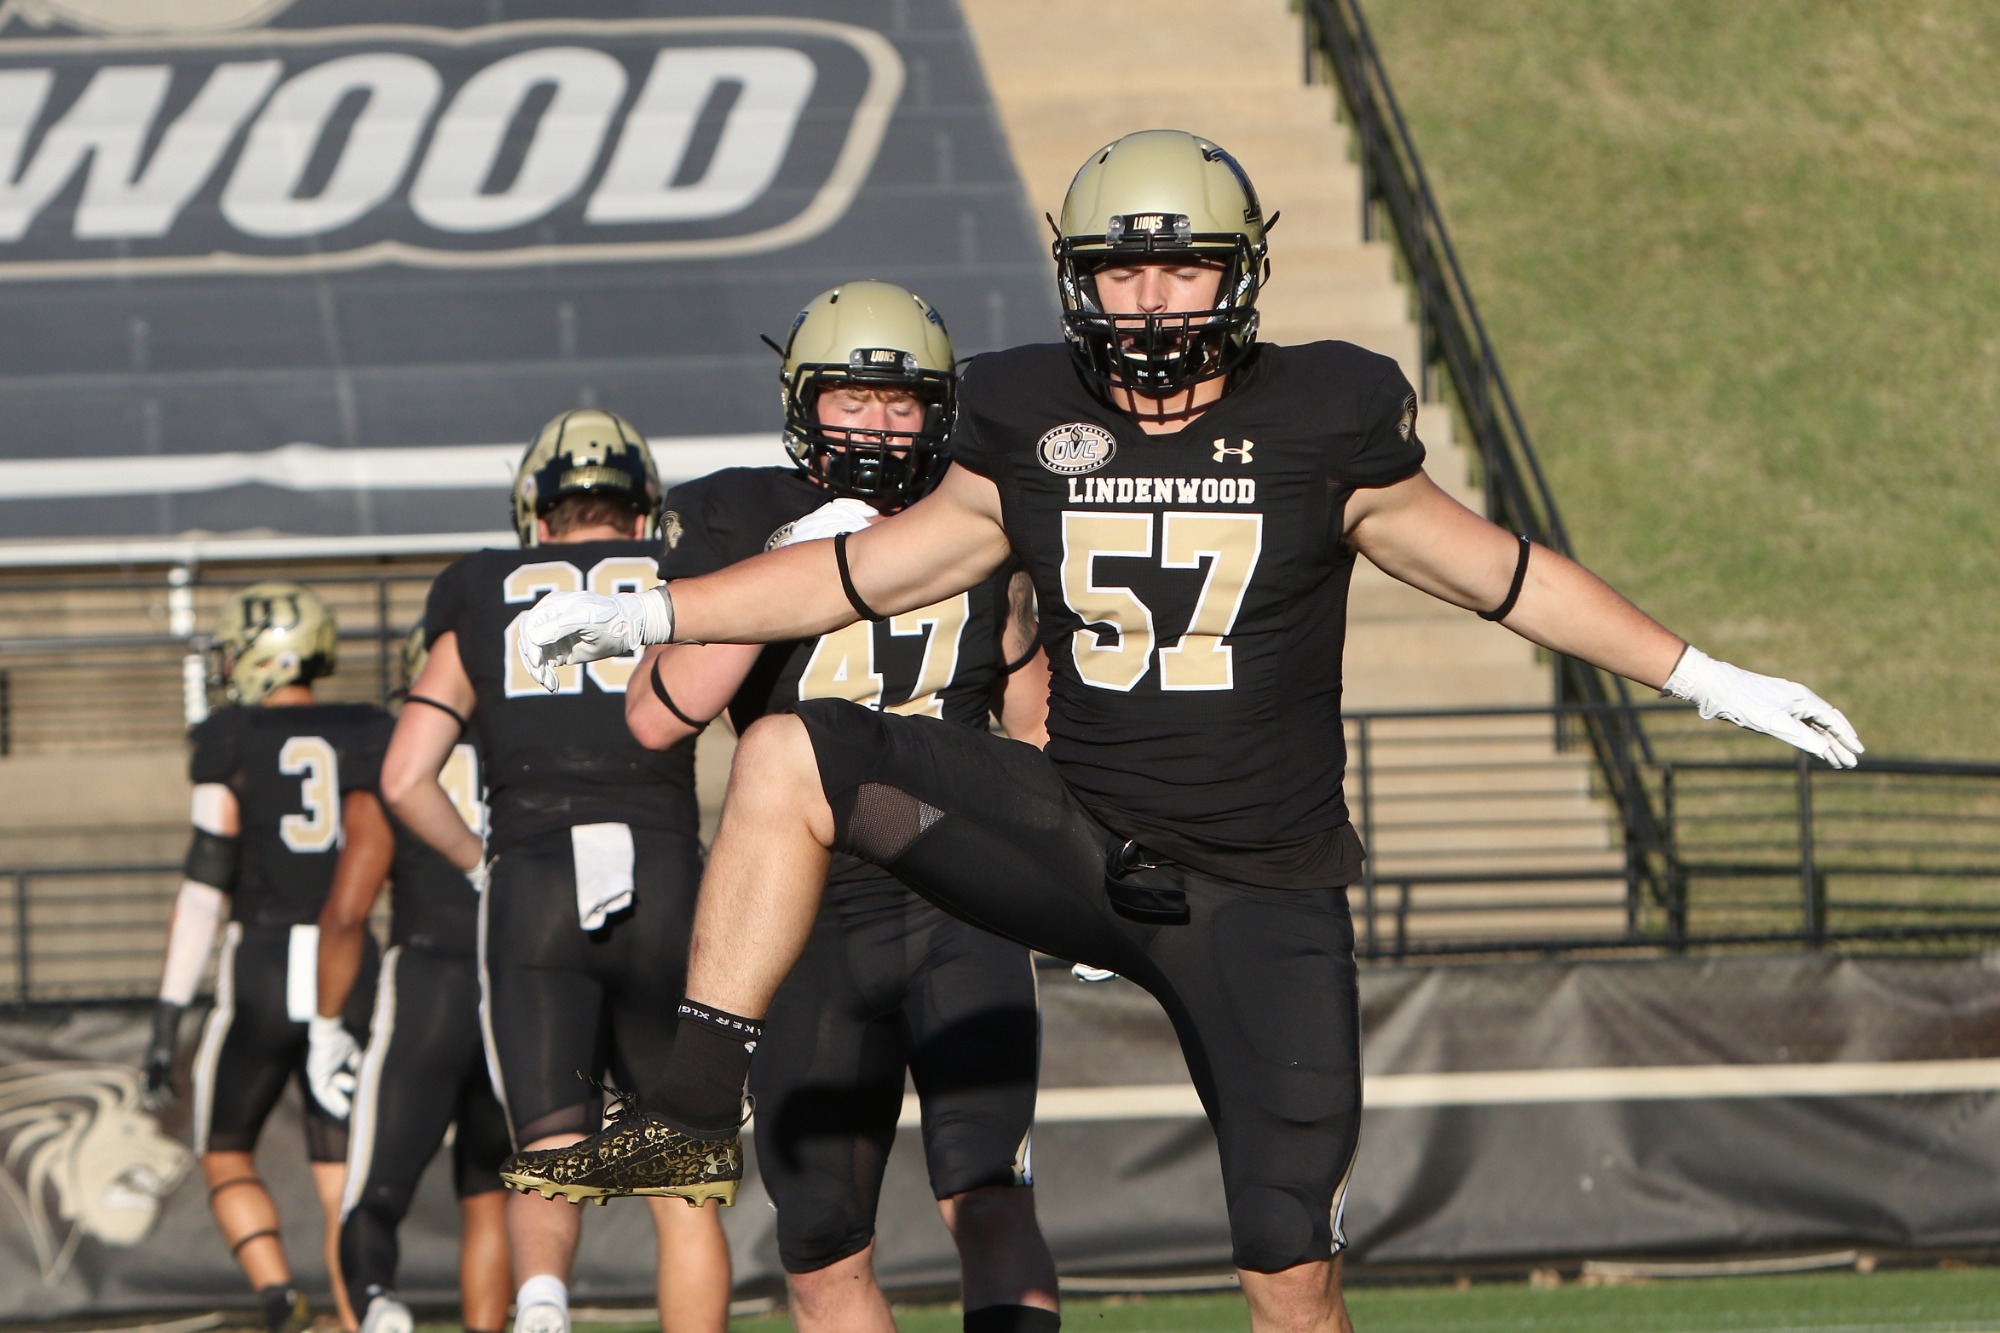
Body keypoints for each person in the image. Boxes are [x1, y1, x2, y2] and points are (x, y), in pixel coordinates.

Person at [509, 130, 1865, 1333]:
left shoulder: (1324, 417)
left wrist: (1701, 675)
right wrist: (659, 608)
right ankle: (687, 1110)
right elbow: (868, 572)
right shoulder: (1030, 414)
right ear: (1072, 276)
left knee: (1290, 1267)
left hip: (1259, 889)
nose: (1150, 301)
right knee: (799, 748)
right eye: (1118, 272)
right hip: (1080, 840)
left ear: (1243, 272)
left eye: (1182, 270)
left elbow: (1502, 574)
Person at [627, 281, 1059, 1333]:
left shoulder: (975, 517)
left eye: (899, 401)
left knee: (988, 1199)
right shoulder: (736, 513)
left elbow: (1041, 722)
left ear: (936, 411)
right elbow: (659, 713)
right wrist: (784, 567)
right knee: (822, 1250)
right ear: (799, 401)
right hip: (802, 914)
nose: (873, 423)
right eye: (849, 400)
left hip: (963, 894)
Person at [381, 411, 731, 1333]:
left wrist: (478, 866)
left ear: (535, 513)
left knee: (550, 1141)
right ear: (642, 505)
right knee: (681, 1166)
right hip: (661, 865)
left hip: (533, 874)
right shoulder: (675, 579)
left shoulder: (479, 585)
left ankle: (542, 1309)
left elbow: (405, 776)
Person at [143, 581, 383, 1333]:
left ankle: (280, 1295)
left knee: (224, 1150)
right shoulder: (367, 729)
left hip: (266, 961)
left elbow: (206, 885)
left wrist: (165, 1016)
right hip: (352, 961)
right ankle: (361, 1316)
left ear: (264, 654)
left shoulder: (230, 737)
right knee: (340, 1174)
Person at [309, 626, 513, 1333]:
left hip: (427, 983)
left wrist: (327, 1022)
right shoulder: (527, 744)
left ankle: (379, 1306)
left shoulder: (395, 752)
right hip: (517, 987)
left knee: (373, 1197)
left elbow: (346, 908)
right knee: (491, 1195)